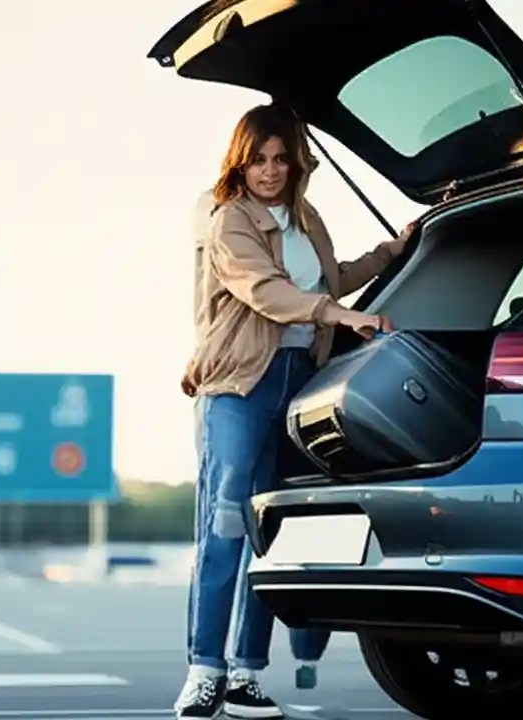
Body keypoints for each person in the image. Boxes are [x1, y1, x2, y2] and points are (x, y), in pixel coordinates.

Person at [174, 103, 413, 720]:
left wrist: (392, 252)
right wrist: (338, 315)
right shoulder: (230, 219)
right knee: (225, 524)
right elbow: (267, 290)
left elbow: (329, 280)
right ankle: (205, 669)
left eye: (281, 158)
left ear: (298, 160)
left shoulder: (307, 220)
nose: (270, 170)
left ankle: (247, 674)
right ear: (241, 161)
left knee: (270, 535)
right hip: (240, 385)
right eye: (258, 159)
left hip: (299, 384)